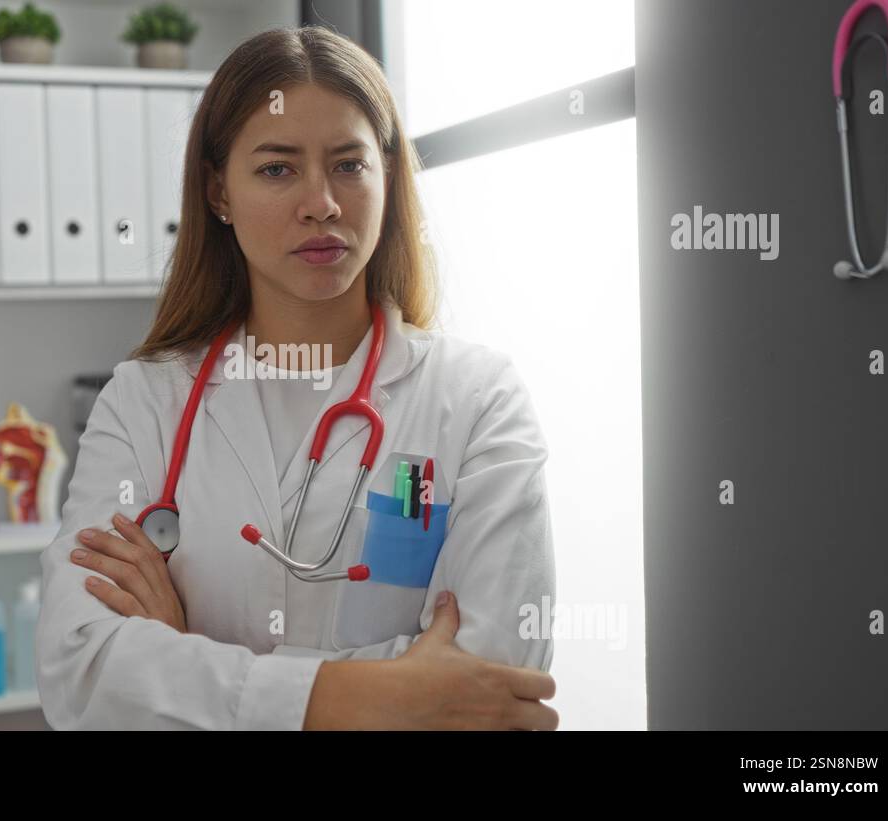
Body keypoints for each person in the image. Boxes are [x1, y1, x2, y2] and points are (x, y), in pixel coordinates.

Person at [36, 25, 558, 730]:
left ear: (388, 174)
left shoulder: (476, 399)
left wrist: (183, 656)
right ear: (219, 191)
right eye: (278, 169)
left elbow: (494, 686)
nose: (321, 202)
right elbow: (82, 671)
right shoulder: (144, 401)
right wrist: (384, 694)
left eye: (348, 164)